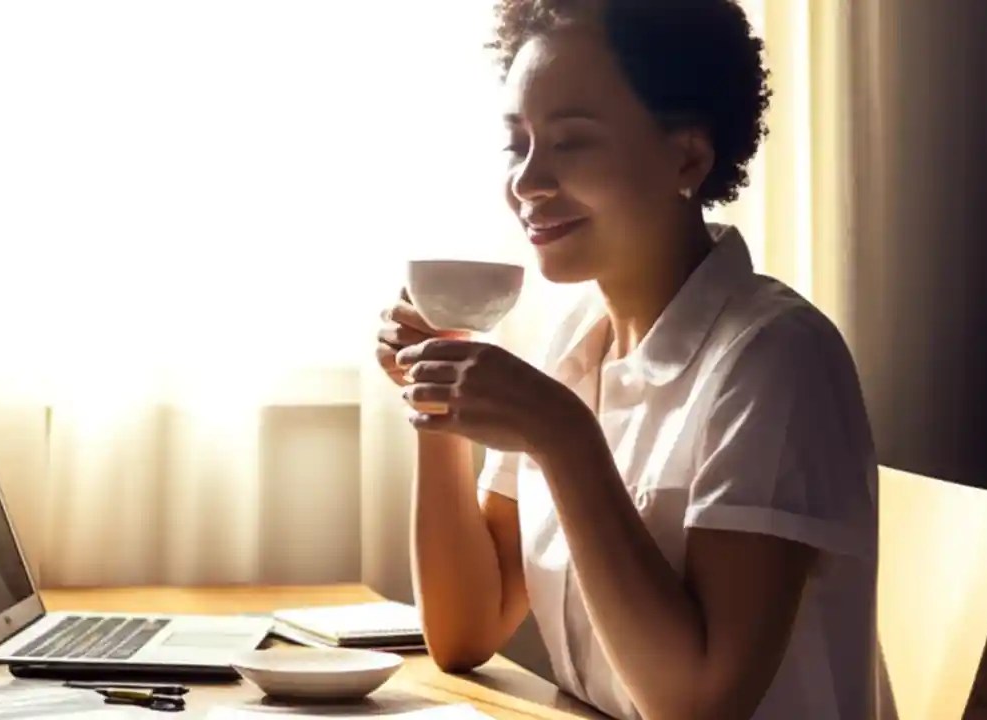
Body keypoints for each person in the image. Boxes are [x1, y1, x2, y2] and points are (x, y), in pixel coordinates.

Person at [374, 1, 888, 718]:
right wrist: (437, 393)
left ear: (688, 157)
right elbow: (465, 630)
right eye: (517, 142)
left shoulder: (775, 360)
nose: (527, 182)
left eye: (571, 143)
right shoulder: (572, 341)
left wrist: (563, 437)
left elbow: (695, 705)